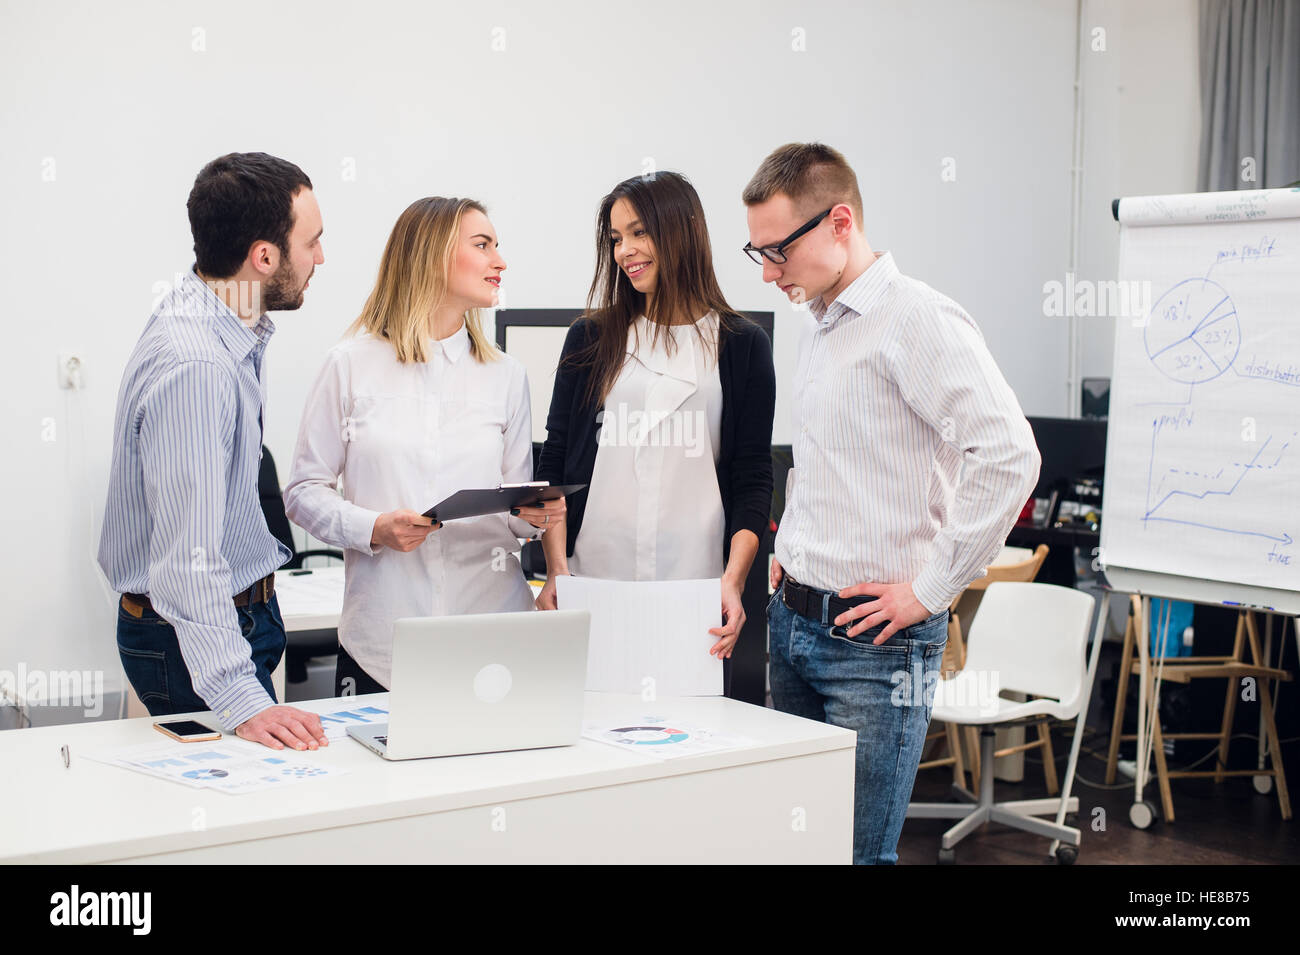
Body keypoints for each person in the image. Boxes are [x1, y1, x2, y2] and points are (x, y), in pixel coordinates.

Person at [742, 142, 1041, 864]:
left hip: (874, 649)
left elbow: (1008, 456)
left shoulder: (918, 319)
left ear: (840, 221)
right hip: (794, 627)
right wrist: (789, 555)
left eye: (777, 250)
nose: (769, 272)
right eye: (757, 253)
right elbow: (833, 468)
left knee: (857, 853)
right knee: (798, 848)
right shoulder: (823, 324)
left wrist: (932, 588)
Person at [98, 152, 329, 752]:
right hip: (195, 642)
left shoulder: (219, 321)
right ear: (264, 257)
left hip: (223, 624)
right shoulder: (198, 364)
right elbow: (187, 559)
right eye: (313, 242)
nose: (320, 259)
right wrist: (240, 697)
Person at [284, 197, 562, 695]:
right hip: (383, 646)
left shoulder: (506, 376)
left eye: (498, 246)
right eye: (483, 245)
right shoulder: (349, 365)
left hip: (494, 638)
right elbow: (304, 491)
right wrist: (373, 528)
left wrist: (535, 515)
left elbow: (514, 516)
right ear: (432, 256)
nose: (500, 262)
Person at [536, 171, 775, 666]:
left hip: (696, 584)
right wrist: (556, 569)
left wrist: (734, 581)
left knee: (686, 729)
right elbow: (555, 460)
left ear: (681, 231)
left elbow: (753, 477)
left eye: (639, 232)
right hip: (594, 576)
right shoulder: (590, 337)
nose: (625, 251)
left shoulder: (741, 344)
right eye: (616, 238)